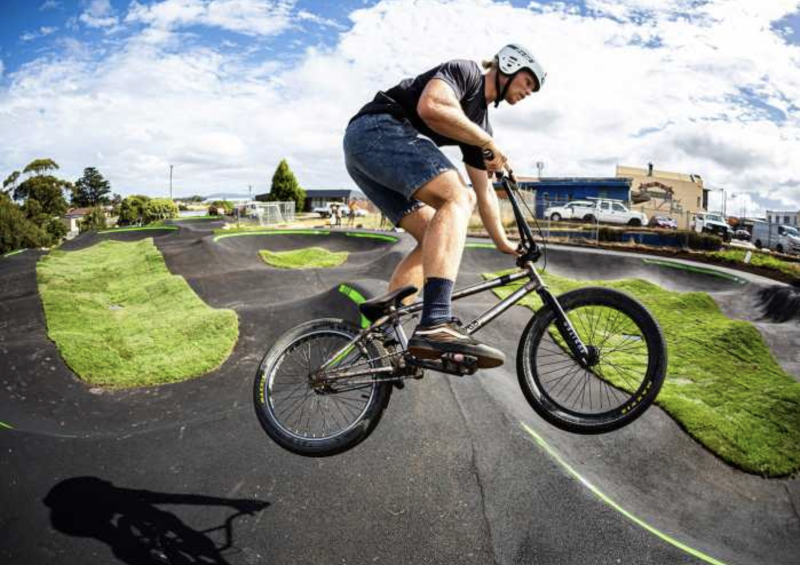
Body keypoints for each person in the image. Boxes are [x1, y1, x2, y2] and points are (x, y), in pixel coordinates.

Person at [343, 44, 546, 369]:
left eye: (533, 89)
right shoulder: (465, 73)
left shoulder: (478, 128)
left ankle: (385, 335)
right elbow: (432, 105)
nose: (528, 92)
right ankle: (436, 320)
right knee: (457, 196)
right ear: (508, 65)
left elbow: (485, 192)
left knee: (432, 236)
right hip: (376, 130)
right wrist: (488, 143)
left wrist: (504, 244)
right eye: (527, 82)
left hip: (365, 154)